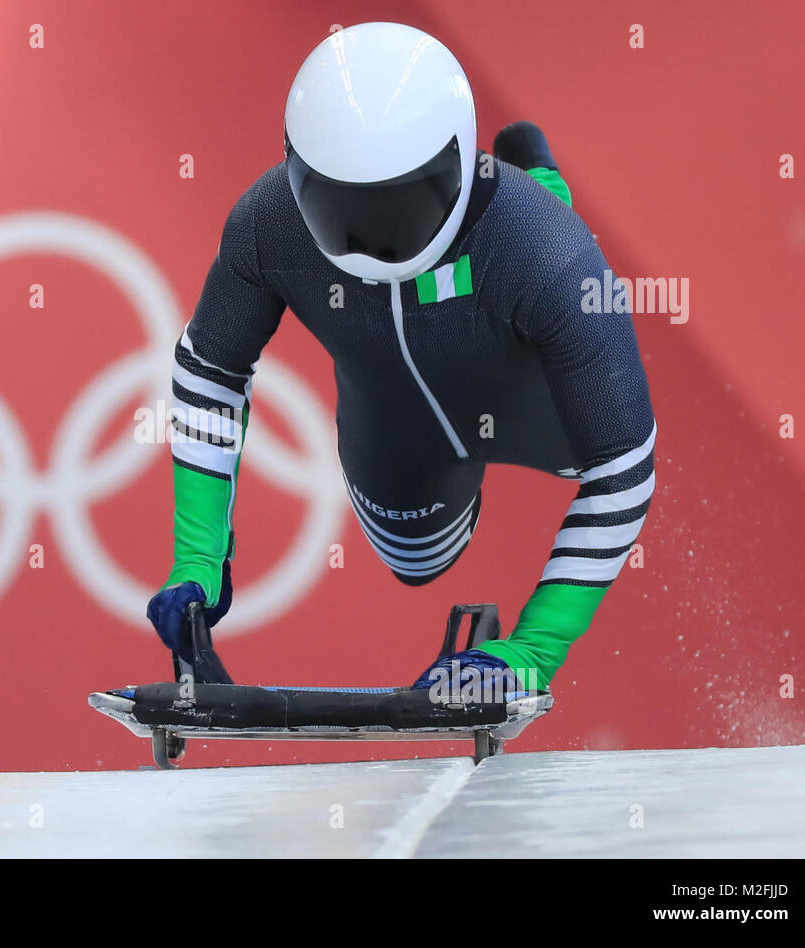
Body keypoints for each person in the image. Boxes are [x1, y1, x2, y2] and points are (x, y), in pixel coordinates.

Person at [147, 22, 655, 696]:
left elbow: (623, 468)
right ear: (296, 173)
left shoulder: (550, 258)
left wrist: (532, 651)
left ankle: (542, 188)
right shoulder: (266, 223)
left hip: (538, 407)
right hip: (397, 424)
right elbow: (207, 375)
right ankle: (534, 183)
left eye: (398, 204)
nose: (370, 241)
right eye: (338, 204)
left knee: (554, 260)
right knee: (417, 563)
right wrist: (197, 564)